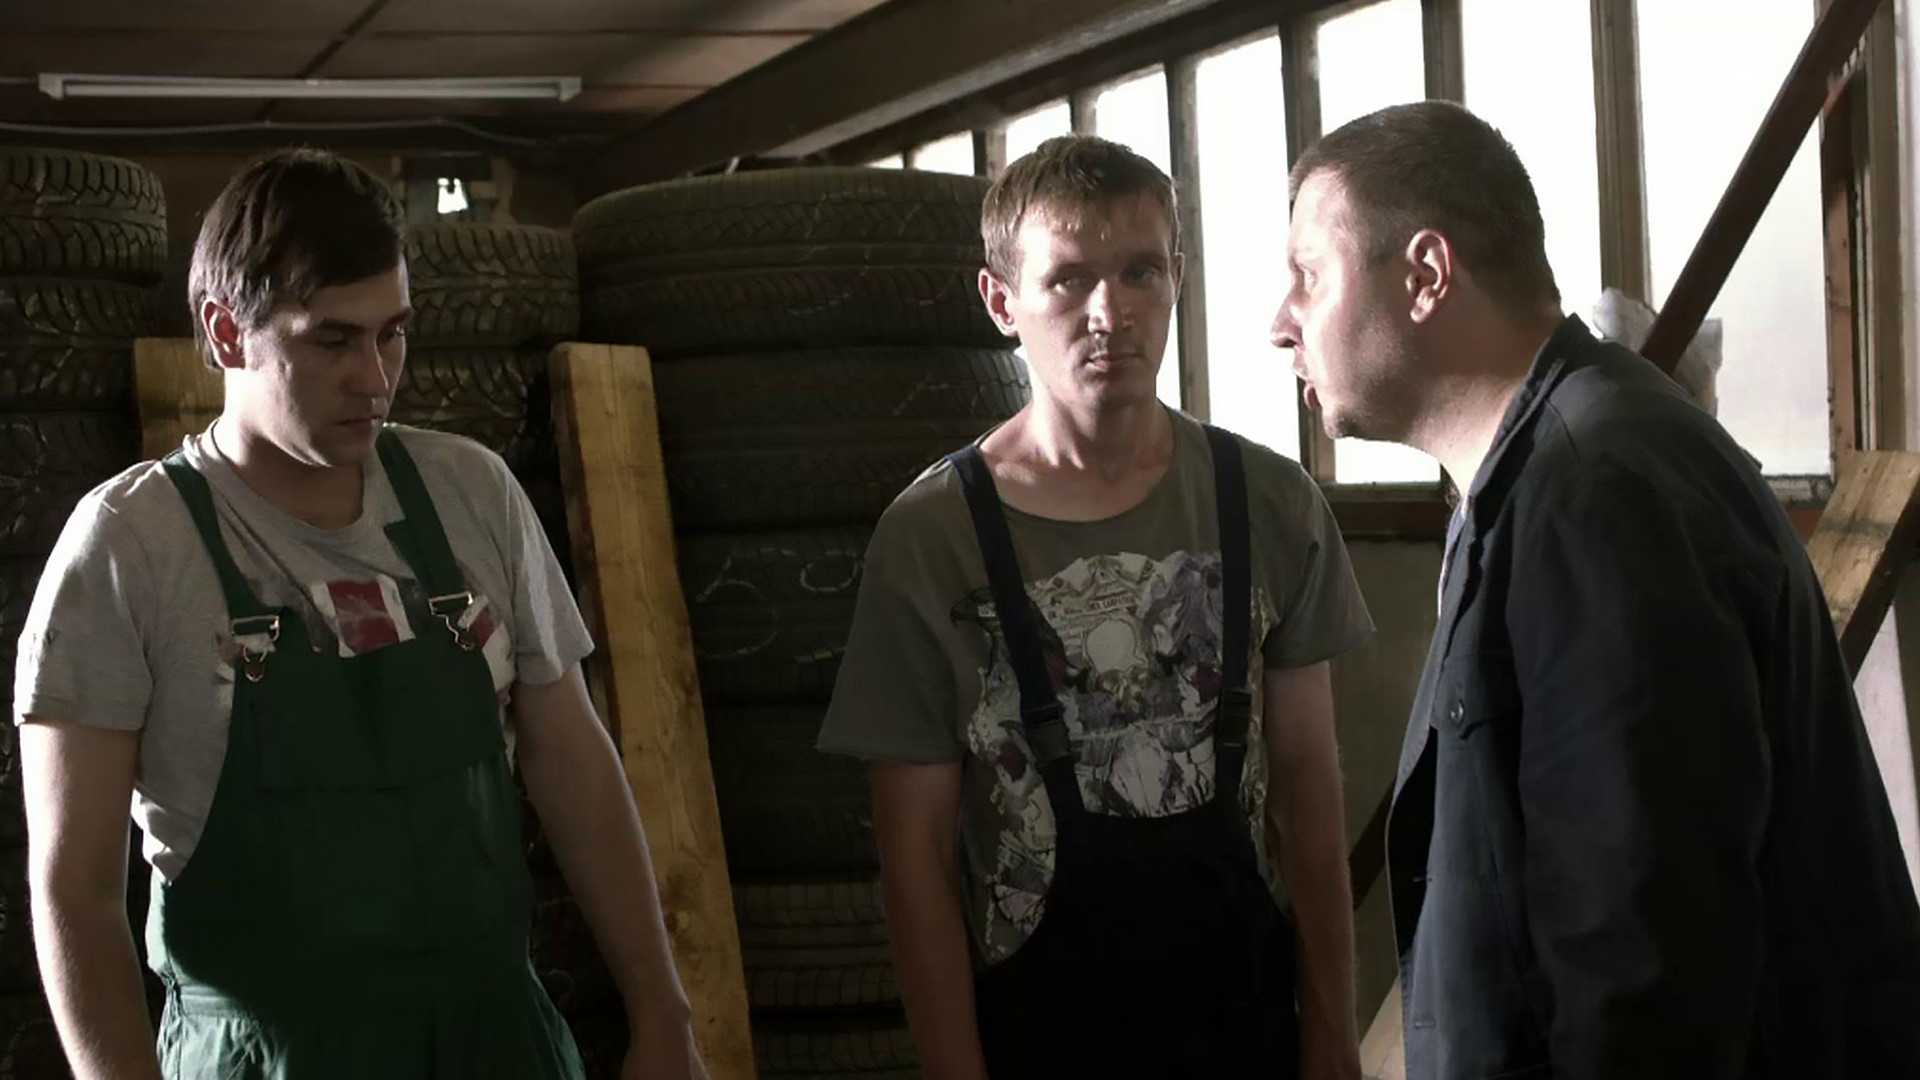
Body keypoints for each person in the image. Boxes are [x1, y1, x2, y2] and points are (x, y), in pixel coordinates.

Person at [14, 148, 706, 1080]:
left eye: (394, 334)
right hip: (270, 1056)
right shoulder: (129, 546)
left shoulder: (471, 494)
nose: (375, 379)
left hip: (497, 1043)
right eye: (332, 341)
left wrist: (664, 1013)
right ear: (226, 333)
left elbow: (571, 758)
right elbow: (75, 889)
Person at [1272, 100, 1920, 1078]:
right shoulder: (1543, 470)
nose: (1281, 323)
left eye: (1309, 276)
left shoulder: (1598, 491)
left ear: (1426, 275)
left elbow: (1642, 960)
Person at [818, 134, 1374, 1080]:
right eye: (1068, 280)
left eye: (1139, 272)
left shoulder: (1270, 503)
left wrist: (1332, 1040)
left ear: (1177, 279)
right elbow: (915, 862)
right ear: (1002, 302)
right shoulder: (932, 538)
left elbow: (1309, 794)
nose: (1109, 313)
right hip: (1040, 1034)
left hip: (1246, 1029)